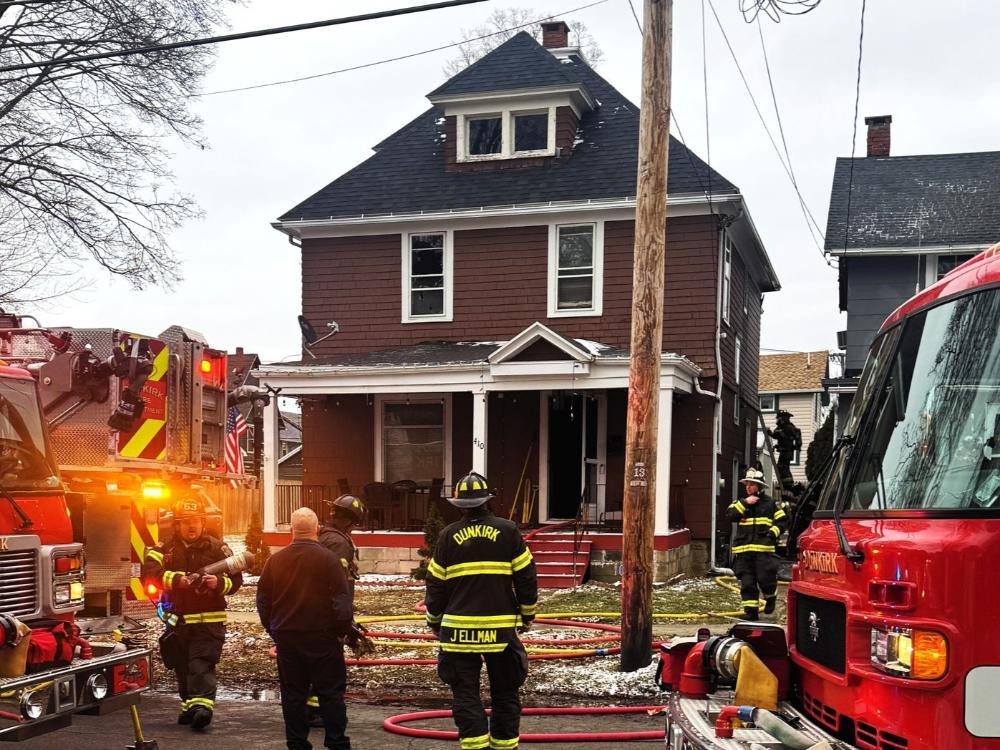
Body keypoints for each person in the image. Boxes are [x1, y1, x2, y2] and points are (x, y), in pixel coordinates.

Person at [425, 471, 538, 750]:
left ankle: (475, 746)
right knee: (505, 691)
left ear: (459, 505)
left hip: (458, 630)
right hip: (500, 631)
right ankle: (504, 746)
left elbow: (435, 585)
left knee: (465, 693)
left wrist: (434, 621)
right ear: (488, 501)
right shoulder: (509, 531)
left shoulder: (447, 536)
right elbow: (526, 577)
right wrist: (527, 614)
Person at [257, 507, 355, 750]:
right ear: (317, 530)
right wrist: (342, 630)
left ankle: (297, 742)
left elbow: (263, 600)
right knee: (330, 693)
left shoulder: (275, 561)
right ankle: (336, 742)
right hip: (323, 638)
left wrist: (273, 628)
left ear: (291, 530)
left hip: (288, 638)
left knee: (293, 694)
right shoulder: (329, 560)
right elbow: (342, 601)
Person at [142, 495, 242, 730]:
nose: (192, 525)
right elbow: (149, 575)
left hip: (209, 623)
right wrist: (177, 580)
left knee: (201, 664)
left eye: (196, 520)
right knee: (182, 665)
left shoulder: (219, 548)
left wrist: (217, 583)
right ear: (176, 525)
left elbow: (236, 582)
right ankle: (189, 706)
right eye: (186, 521)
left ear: (203, 522)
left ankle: (202, 709)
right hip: (178, 622)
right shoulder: (163, 550)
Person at [304, 494, 365, 723]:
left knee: (316, 664)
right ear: (350, 521)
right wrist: (344, 620)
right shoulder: (339, 543)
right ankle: (320, 711)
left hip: (313, 613)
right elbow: (339, 584)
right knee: (329, 668)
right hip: (329, 617)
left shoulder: (322, 537)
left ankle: (310, 708)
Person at [726, 467, 787, 621]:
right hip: (743, 551)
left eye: (752, 484)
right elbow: (730, 515)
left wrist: (772, 534)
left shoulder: (770, 504)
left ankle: (770, 597)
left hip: (763, 551)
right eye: (747, 484)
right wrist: (745, 502)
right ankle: (751, 612)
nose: (748, 487)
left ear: (759, 486)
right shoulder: (740, 503)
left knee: (766, 579)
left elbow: (783, 521)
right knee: (747, 583)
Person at [768, 410, 802, 492]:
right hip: (784, 451)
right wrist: (770, 433)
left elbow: (796, 434)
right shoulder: (781, 427)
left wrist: (796, 446)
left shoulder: (788, 427)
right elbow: (775, 435)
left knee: (782, 467)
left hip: (787, 451)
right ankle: (786, 484)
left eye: (778, 418)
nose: (777, 420)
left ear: (783, 418)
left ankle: (788, 484)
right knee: (783, 467)